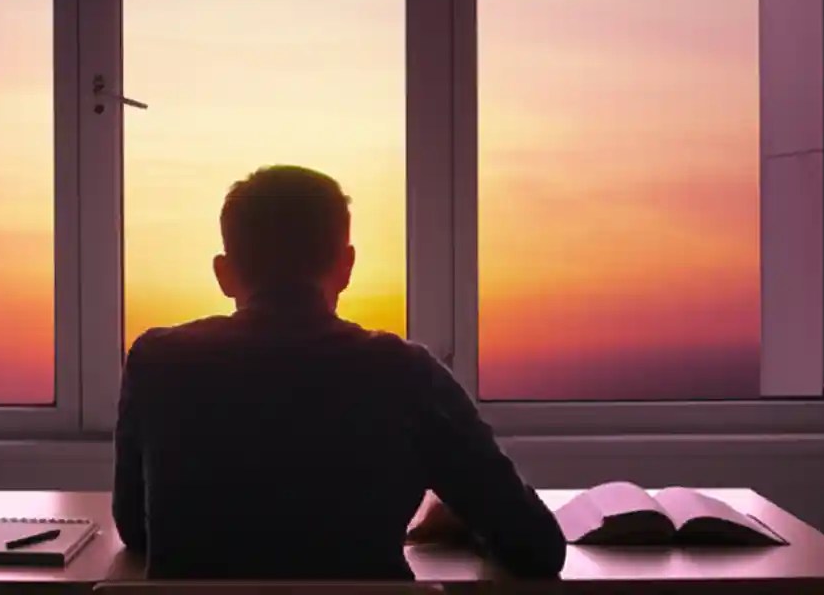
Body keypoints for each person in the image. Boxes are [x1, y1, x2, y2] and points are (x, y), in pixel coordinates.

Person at [113, 165, 566, 580]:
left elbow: (136, 529)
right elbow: (537, 548)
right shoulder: (406, 374)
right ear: (346, 267)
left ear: (225, 274)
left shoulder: (158, 362)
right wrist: (467, 516)